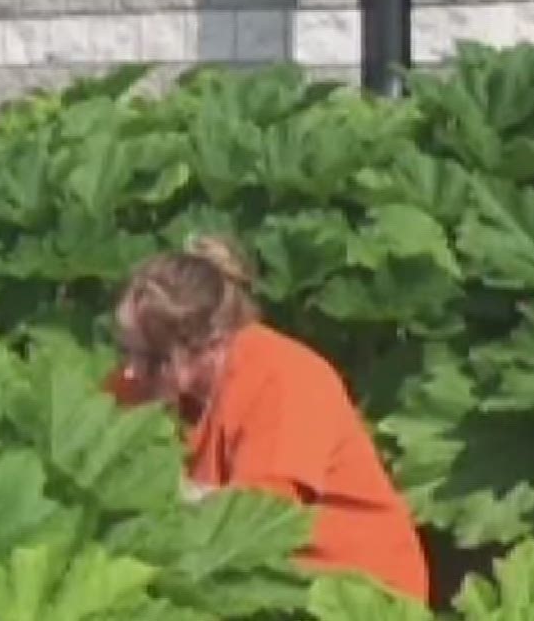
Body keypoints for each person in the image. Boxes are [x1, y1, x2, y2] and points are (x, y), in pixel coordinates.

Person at [106, 235, 430, 604]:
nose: (130, 372)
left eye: (151, 358)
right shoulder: (141, 384)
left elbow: (256, 516)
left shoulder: (284, 379)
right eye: (126, 350)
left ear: (209, 346)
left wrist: (156, 491)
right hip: (261, 588)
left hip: (357, 592)